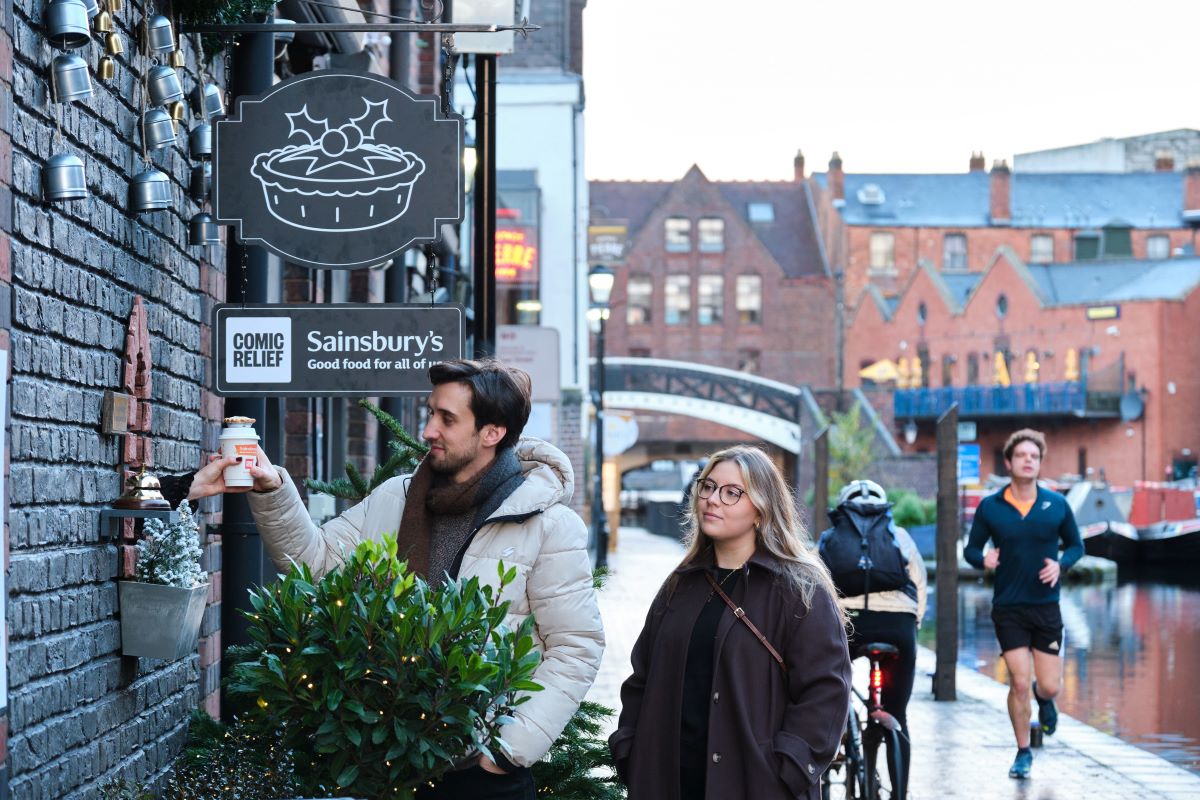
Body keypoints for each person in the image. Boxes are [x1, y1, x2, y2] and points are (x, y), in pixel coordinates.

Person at [190, 358, 605, 800]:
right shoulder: (396, 497)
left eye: (447, 419)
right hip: (385, 764)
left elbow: (576, 646)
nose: (428, 430)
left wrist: (505, 751)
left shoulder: (547, 525)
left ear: (492, 432)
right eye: (430, 412)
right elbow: (313, 564)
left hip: (482, 776)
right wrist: (272, 489)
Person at [609, 445, 851, 800]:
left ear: (761, 509)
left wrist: (790, 768)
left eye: (731, 492)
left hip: (756, 784)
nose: (712, 499)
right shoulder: (680, 585)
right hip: (667, 780)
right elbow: (641, 677)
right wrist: (629, 748)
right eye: (707, 486)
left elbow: (826, 689)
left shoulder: (798, 590)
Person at [964, 429, 1083, 780]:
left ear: (1040, 463)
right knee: (1017, 682)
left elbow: (1076, 546)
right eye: (1021, 455)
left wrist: (1060, 565)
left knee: (1050, 685)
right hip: (1009, 608)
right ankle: (1022, 751)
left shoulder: (1056, 505)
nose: (1028, 460)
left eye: (1034, 456)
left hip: (1046, 607)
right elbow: (971, 550)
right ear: (1009, 462)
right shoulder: (991, 507)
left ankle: (1043, 699)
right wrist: (983, 559)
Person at [819, 479, 927, 798]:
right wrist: (913, 624)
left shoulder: (830, 537)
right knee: (898, 712)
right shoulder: (900, 535)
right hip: (897, 625)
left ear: (843, 508)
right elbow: (919, 584)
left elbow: (812, 586)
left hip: (848, 623)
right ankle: (900, 793)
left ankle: (839, 729)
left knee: (830, 690)